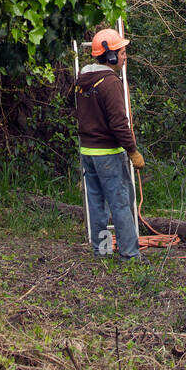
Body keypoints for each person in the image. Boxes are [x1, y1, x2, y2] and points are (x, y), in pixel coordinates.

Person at [74, 28, 145, 260]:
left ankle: (101, 251)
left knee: (96, 205)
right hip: (108, 155)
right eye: (122, 52)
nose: (125, 57)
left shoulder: (82, 81)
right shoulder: (110, 82)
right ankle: (130, 255)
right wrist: (133, 151)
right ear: (111, 56)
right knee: (121, 203)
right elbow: (118, 123)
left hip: (88, 152)